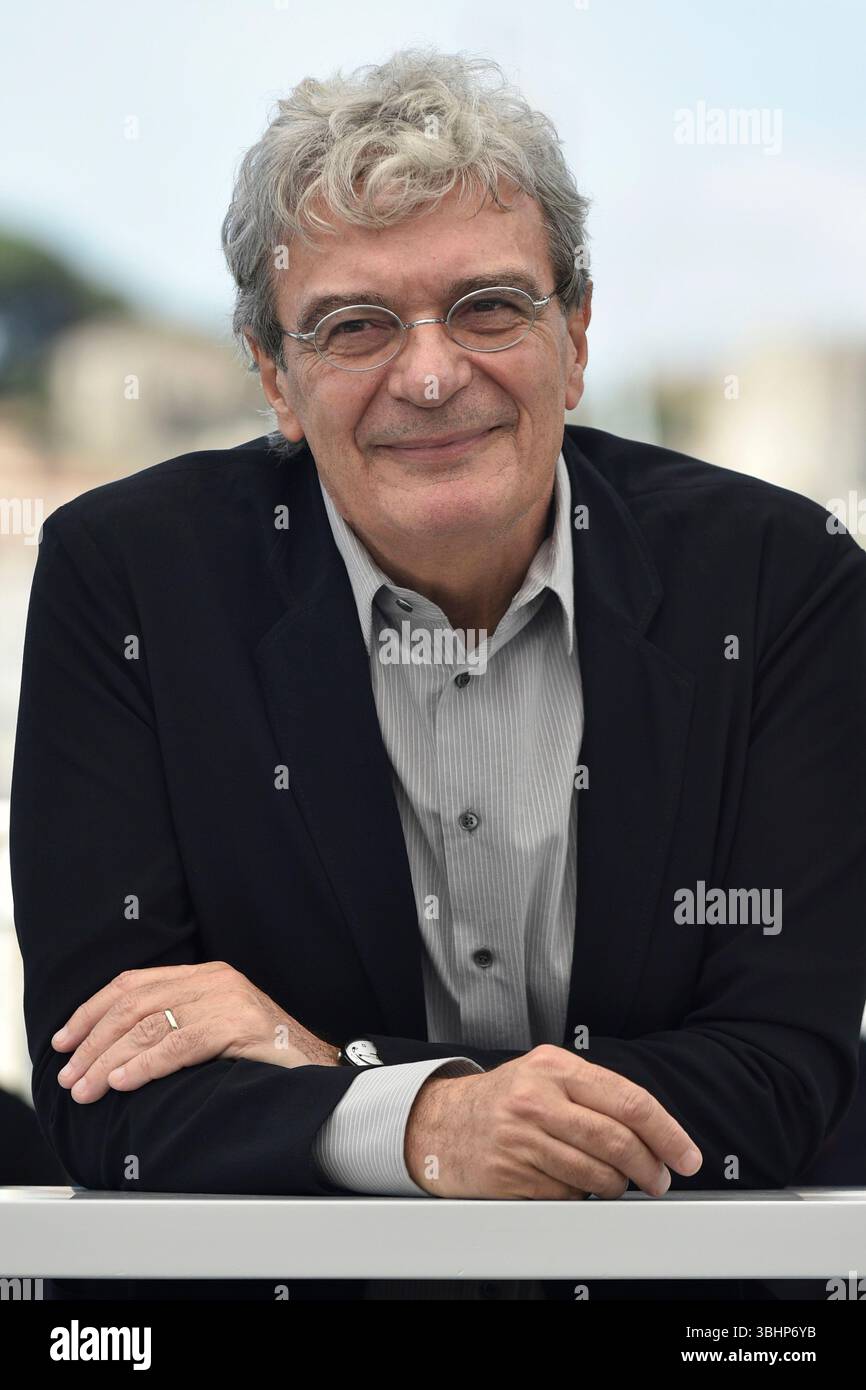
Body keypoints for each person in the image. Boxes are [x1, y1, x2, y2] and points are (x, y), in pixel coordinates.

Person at [11, 47, 866, 1302]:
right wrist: (425, 1125)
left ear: (573, 337)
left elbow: (783, 1067)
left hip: (696, 1313)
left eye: (487, 307)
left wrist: (333, 1070)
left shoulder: (780, 577)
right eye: (353, 325)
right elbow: (100, 1087)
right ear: (272, 377)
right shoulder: (127, 579)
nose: (427, 373)